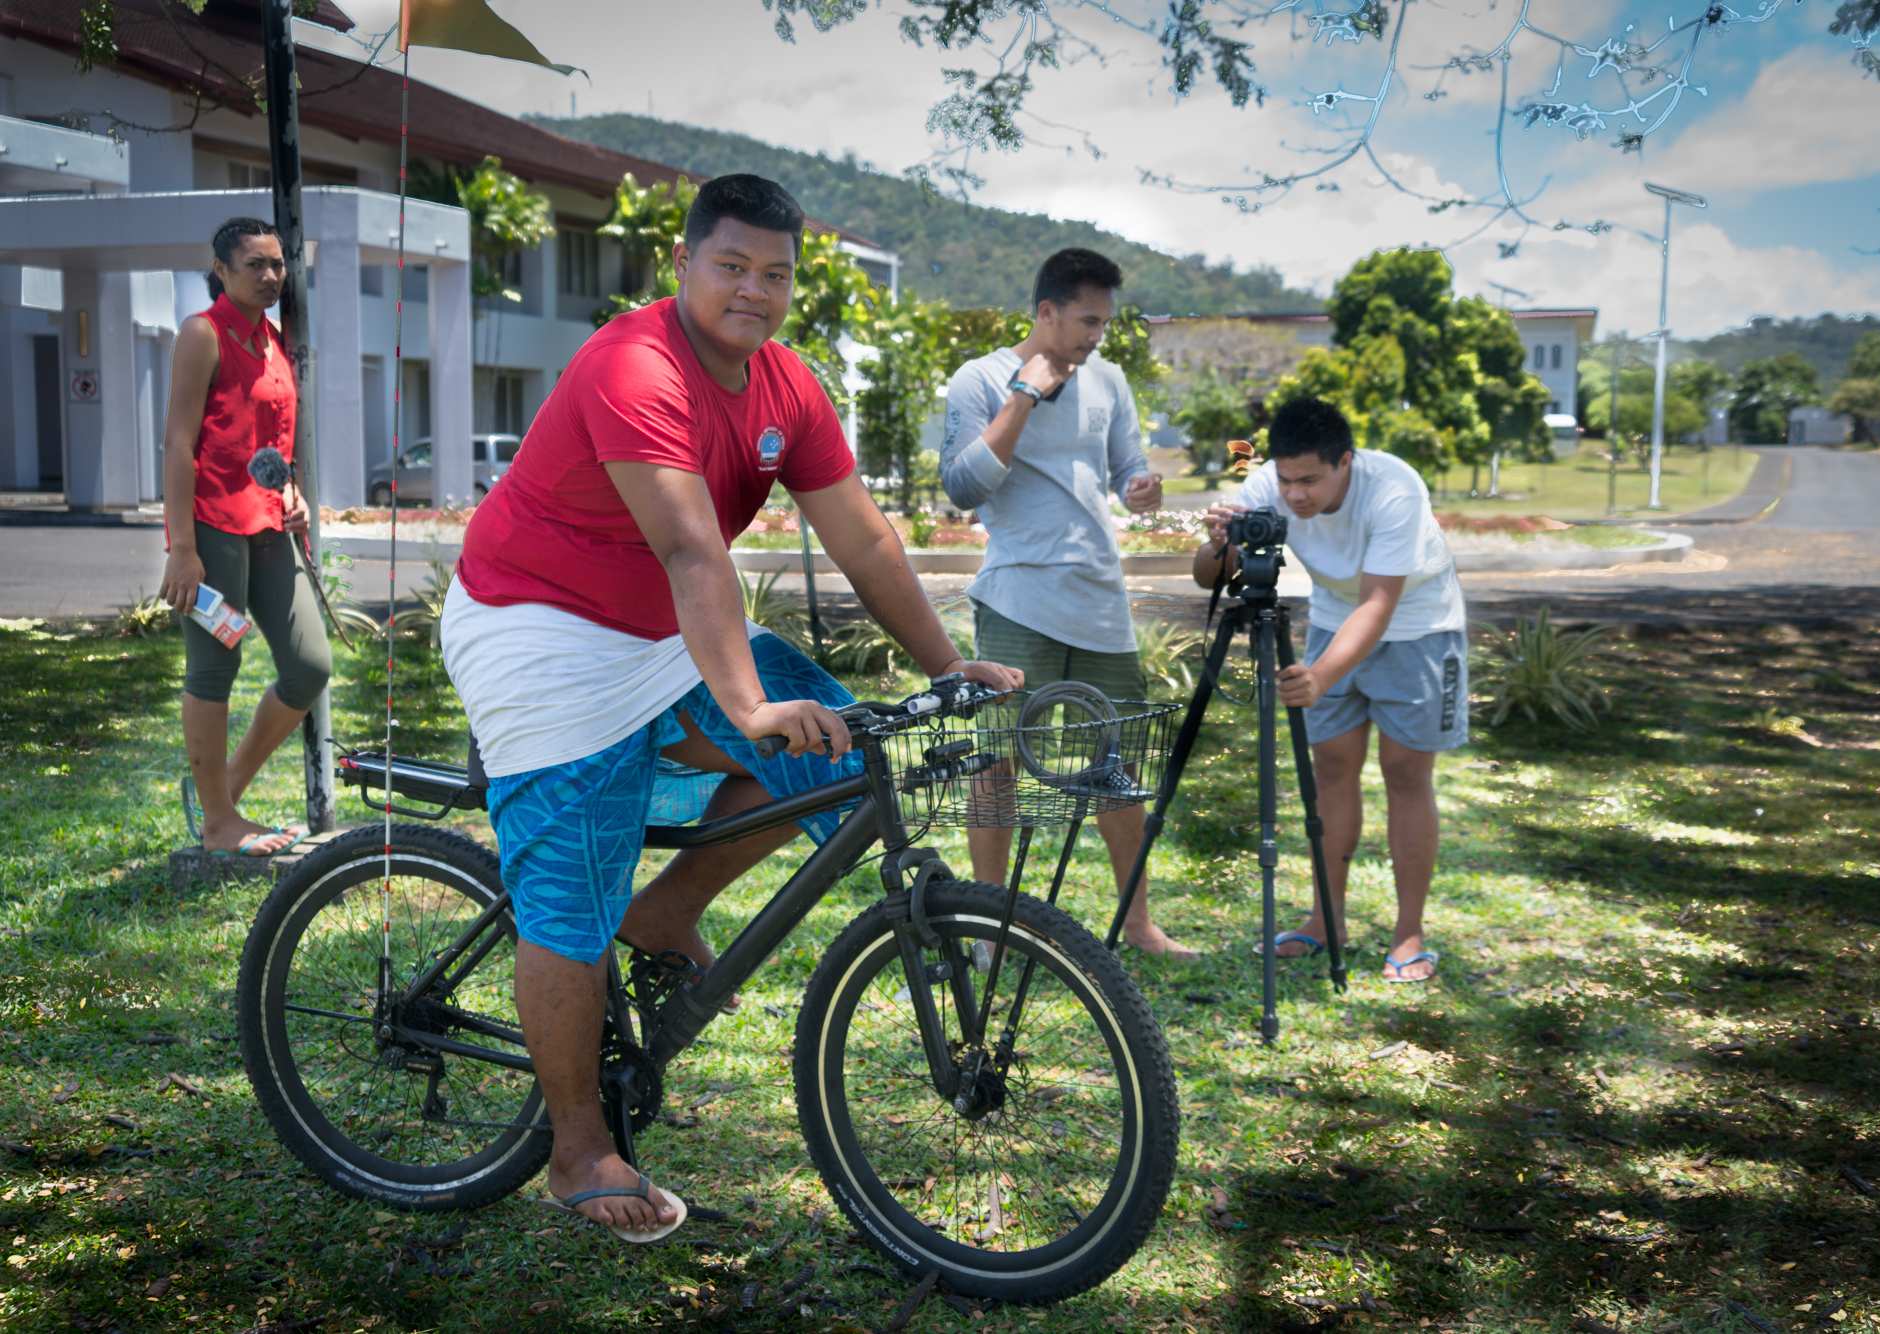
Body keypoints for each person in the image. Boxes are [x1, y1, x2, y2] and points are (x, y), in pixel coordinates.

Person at [440, 174, 1020, 1244]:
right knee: (572, 896)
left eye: (776, 274)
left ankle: (664, 913)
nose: (755, 290)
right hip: (539, 628)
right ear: (683, 262)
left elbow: (863, 538)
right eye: (732, 265)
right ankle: (578, 1149)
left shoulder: (785, 384)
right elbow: (689, 546)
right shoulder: (633, 364)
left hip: (666, 628)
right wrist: (746, 702)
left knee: (840, 756)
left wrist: (949, 664)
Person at [938, 248, 1196, 960]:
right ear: (1047, 311)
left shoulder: (1108, 379)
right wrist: (1024, 395)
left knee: (1117, 765)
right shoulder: (980, 378)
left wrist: (1142, 487)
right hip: (1018, 599)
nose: (1096, 336)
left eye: (1104, 323)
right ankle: (989, 931)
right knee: (997, 764)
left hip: (1101, 602)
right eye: (1087, 321)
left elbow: (1126, 470)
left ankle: (1139, 925)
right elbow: (962, 487)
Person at [1193, 397, 1467, 984]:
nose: (1295, 495)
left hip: (1420, 626)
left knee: (1406, 773)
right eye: (1286, 480)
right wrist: (1218, 542)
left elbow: (1379, 603)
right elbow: (1207, 577)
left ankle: (1409, 934)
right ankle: (1325, 920)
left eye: (1310, 481)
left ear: (1345, 461)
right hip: (1333, 619)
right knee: (1333, 770)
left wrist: (1320, 676)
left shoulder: (1393, 487)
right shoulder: (1265, 484)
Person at [158, 217, 330, 858]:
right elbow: (178, 444)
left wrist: (294, 493)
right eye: (255, 264)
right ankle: (219, 823)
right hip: (212, 532)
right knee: (215, 667)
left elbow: (270, 441)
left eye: (277, 264)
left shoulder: (277, 341)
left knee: (309, 666)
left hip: (269, 528)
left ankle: (224, 791)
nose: (270, 275)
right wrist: (182, 548)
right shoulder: (202, 334)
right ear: (222, 270)